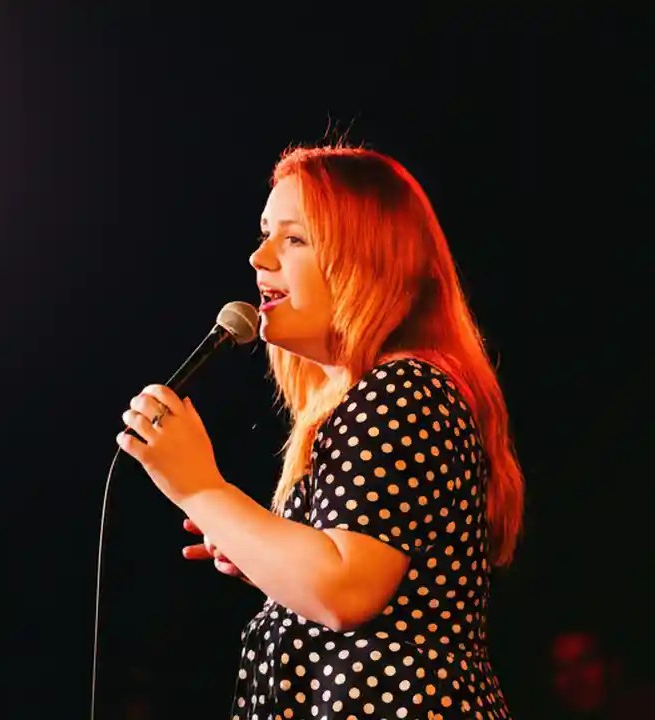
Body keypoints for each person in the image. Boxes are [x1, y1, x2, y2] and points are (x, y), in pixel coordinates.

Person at [116, 143, 523, 719]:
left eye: (294, 239)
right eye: (265, 235)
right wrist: (262, 549)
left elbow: (344, 590)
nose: (258, 257)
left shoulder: (401, 390)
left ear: (364, 261)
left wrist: (200, 488)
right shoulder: (377, 397)